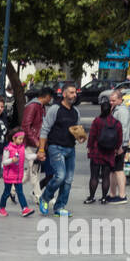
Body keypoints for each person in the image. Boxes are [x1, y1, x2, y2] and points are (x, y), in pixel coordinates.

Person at [37, 83, 82, 216]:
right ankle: (45, 197)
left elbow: (77, 129)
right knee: (60, 176)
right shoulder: (55, 109)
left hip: (70, 149)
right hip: (55, 147)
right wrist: (41, 150)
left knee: (68, 180)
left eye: (75, 93)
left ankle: (59, 207)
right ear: (64, 94)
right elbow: (45, 129)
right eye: (71, 92)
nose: (74, 95)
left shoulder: (76, 112)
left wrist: (80, 137)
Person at [84, 98, 122, 204]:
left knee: (94, 176)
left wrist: (89, 147)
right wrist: (116, 148)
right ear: (110, 110)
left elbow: (92, 136)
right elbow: (119, 138)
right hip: (109, 152)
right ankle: (104, 198)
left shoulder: (97, 121)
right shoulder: (116, 123)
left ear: (101, 110)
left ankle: (91, 197)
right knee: (106, 176)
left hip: (96, 151)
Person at [0, 128, 32, 215]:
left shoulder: (22, 148)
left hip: (18, 175)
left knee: (20, 192)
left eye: (22, 138)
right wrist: (12, 160)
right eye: (20, 138)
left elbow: (28, 156)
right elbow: (4, 162)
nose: (21, 140)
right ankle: (1, 208)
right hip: (9, 175)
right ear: (13, 138)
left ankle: (25, 208)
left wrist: (37, 156)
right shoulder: (8, 149)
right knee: (6, 193)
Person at [108, 86, 130, 203]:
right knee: (113, 169)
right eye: (110, 100)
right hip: (116, 144)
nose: (111, 102)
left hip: (120, 144)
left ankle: (122, 195)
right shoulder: (116, 109)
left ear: (120, 99)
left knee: (118, 169)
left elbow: (122, 129)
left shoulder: (121, 111)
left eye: (113, 100)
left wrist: (119, 146)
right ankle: (112, 193)